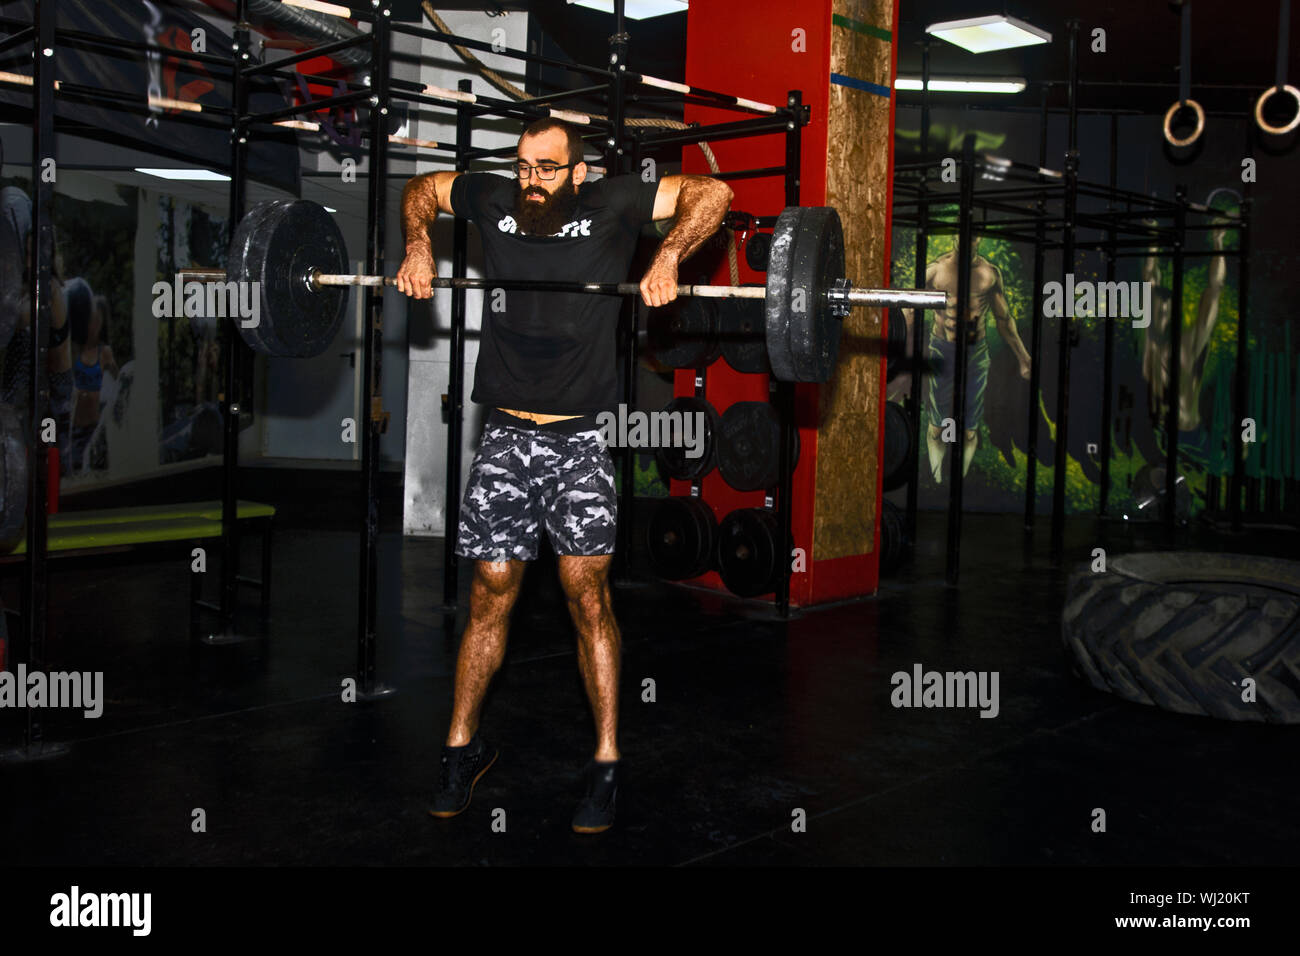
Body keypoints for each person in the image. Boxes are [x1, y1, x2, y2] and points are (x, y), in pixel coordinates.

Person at [396, 117, 732, 833]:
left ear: (577, 172)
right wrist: (419, 241)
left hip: (579, 441)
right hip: (505, 437)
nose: (531, 180)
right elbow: (423, 187)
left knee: (586, 595)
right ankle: (462, 748)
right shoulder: (492, 198)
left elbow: (714, 192)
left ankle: (606, 760)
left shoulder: (612, 202)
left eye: (547, 169)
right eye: (524, 166)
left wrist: (668, 257)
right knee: (489, 594)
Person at [903, 235, 1031, 483]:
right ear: (953, 237)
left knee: (971, 429)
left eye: (972, 236)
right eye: (962, 235)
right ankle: (938, 479)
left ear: (979, 239)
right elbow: (909, 312)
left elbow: (1004, 321)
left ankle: (959, 481)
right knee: (937, 423)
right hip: (943, 349)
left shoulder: (989, 274)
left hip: (976, 353)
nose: (967, 240)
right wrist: (895, 353)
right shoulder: (935, 271)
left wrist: (1024, 358)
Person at [69, 286, 118, 473]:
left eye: (98, 321)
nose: (93, 326)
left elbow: (120, 379)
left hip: (92, 429)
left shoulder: (104, 352)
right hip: (74, 428)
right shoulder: (76, 350)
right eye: (91, 320)